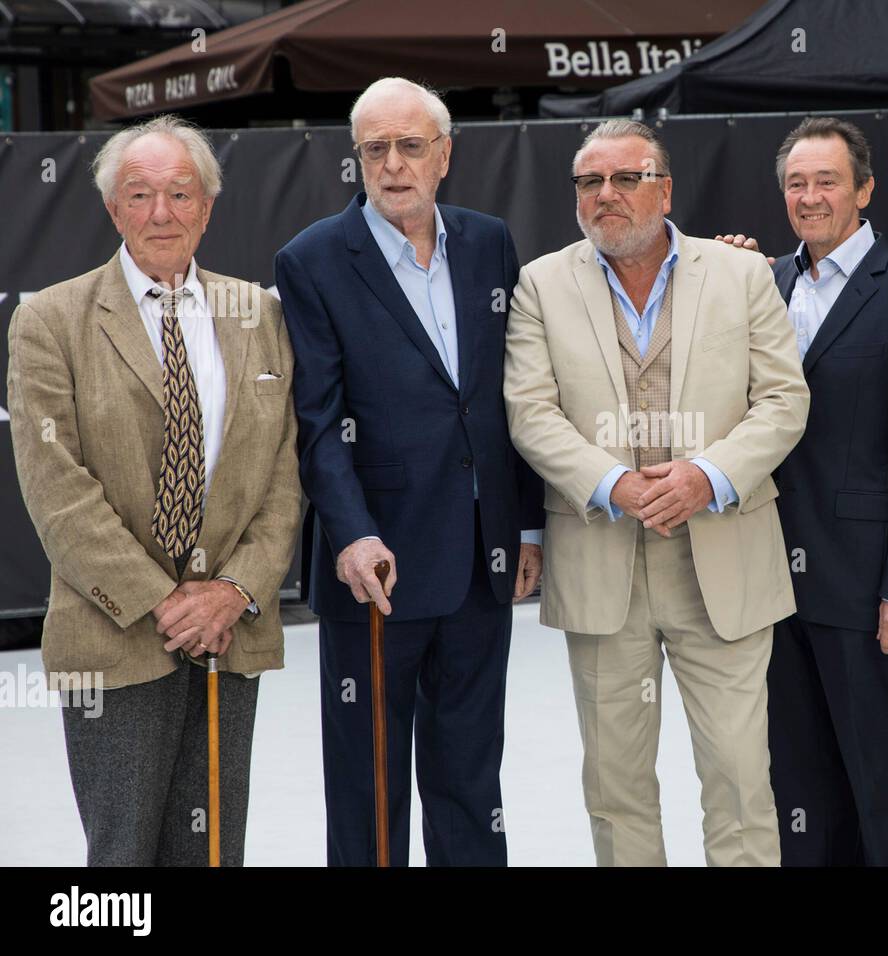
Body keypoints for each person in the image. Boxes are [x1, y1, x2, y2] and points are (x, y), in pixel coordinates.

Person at [503, 119, 809, 867]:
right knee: (616, 785)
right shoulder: (542, 282)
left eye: (625, 179)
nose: (605, 196)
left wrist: (708, 475)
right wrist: (610, 484)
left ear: (664, 189)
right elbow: (529, 411)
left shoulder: (741, 276)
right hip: (604, 561)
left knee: (739, 777)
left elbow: (783, 399)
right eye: (588, 182)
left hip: (724, 560)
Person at [6, 115, 300, 865]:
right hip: (113, 636)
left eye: (180, 193)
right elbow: (55, 488)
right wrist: (167, 603)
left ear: (208, 206)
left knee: (212, 853)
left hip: (228, 636)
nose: (161, 213)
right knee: (122, 860)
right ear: (113, 209)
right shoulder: (50, 319)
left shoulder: (259, 314)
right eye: (140, 195)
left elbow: (281, 475)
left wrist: (233, 591)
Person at [275, 77, 543, 867]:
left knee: (470, 778)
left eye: (411, 146)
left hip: (479, 562)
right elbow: (316, 422)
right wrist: (352, 535)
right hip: (376, 572)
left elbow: (512, 396)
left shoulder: (489, 241)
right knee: (369, 786)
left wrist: (524, 522)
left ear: (446, 156)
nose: (393, 165)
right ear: (355, 159)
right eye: (375, 149)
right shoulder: (313, 259)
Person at [753, 116, 888, 865]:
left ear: (866, 190)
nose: (810, 197)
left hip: (868, 591)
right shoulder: (764, 284)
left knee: (883, 785)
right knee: (800, 790)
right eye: (796, 183)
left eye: (827, 181)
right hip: (771, 587)